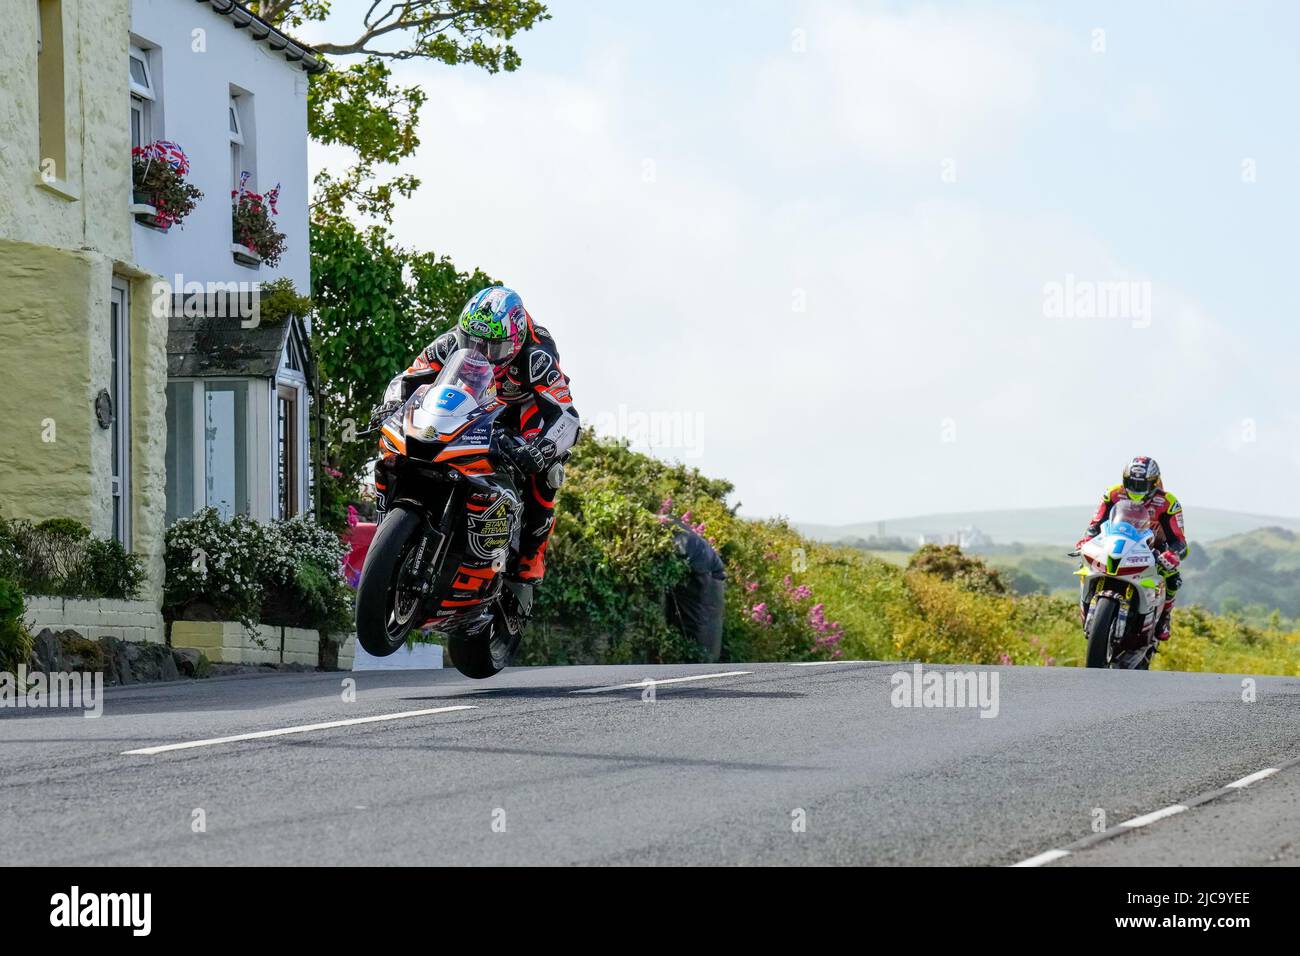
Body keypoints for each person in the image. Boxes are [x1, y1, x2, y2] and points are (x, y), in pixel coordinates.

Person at [374, 286, 580, 584]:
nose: (481, 351)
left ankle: (533, 551)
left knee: (546, 470)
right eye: (471, 341)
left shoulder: (537, 356)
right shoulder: (450, 342)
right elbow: (406, 378)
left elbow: (566, 415)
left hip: (524, 409)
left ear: (515, 341)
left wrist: (542, 449)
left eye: (493, 347)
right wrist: (391, 405)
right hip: (475, 399)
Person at [1076, 456, 1187, 640]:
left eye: (1142, 485)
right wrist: (1086, 540)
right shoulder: (1113, 493)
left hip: (1152, 549)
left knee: (1172, 578)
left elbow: (1179, 540)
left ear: (1155, 483)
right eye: (1132, 483)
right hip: (1114, 542)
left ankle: (1164, 617)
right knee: (1086, 564)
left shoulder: (1168, 502)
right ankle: (1087, 606)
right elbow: (1095, 524)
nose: (1136, 489)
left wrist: (1173, 554)